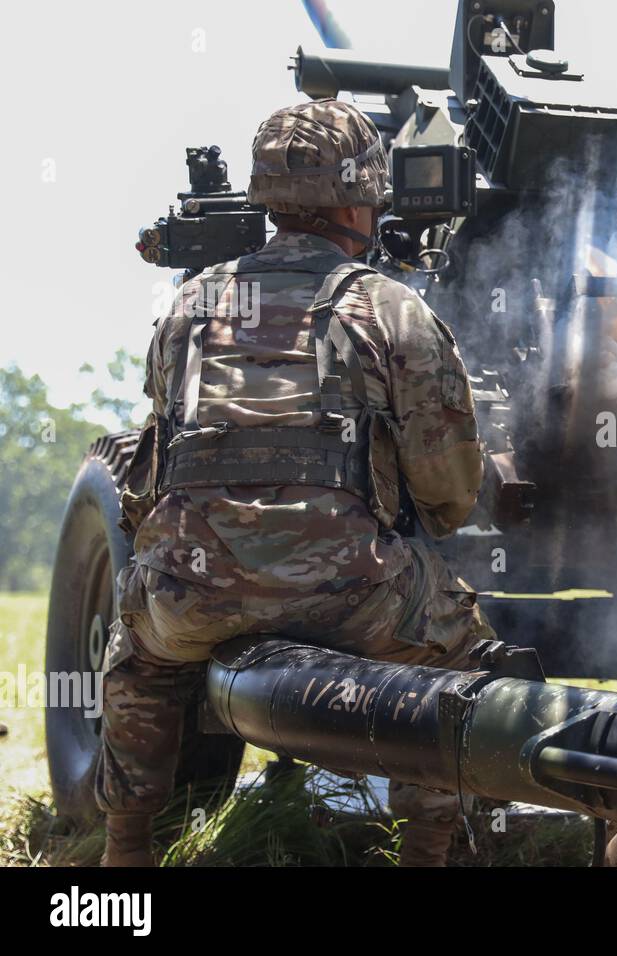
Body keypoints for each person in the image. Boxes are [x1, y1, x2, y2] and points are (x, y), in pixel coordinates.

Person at [97, 99, 493, 867]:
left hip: (191, 591)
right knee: (457, 650)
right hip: (350, 593)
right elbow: (448, 489)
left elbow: (156, 455)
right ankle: (427, 852)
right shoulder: (389, 308)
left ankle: (125, 851)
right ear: (360, 196)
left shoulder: (190, 303)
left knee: (137, 655)